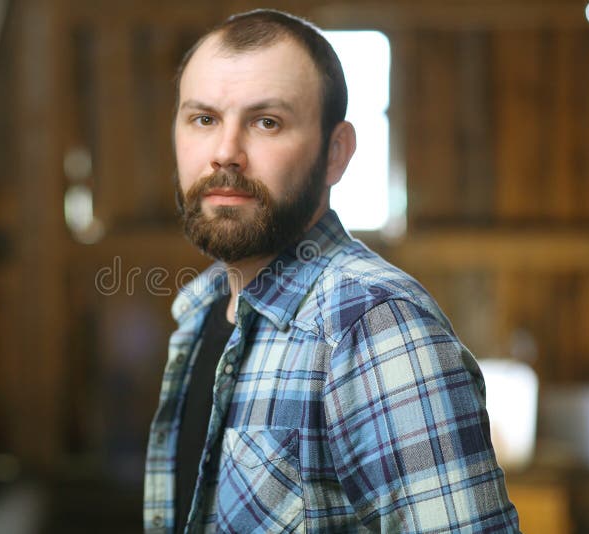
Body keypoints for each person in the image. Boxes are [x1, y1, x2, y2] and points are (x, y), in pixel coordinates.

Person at [144, 8, 519, 533]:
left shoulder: (375, 328)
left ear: (336, 153)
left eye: (266, 122)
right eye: (204, 119)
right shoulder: (201, 308)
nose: (225, 153)